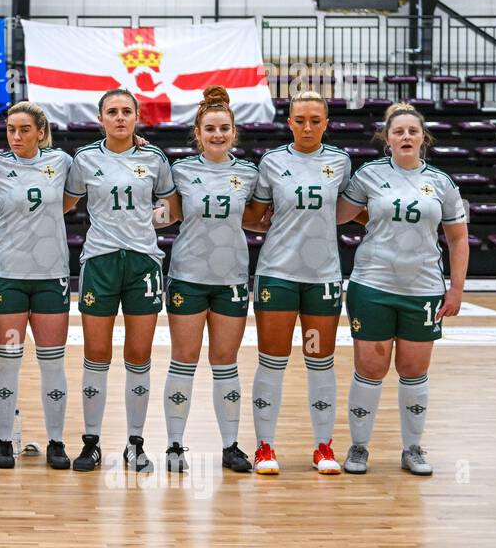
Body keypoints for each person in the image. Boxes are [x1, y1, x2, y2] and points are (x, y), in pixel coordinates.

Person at [336, 103, 468, 475]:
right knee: (370, 367)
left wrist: (456, 289)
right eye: (399, 132)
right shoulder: (369, 176)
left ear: (423, 137)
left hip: (423, 289)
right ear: (387, 139)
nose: (406, 137)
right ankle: (359, 447)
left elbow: (458, 240)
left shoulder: (441, 182)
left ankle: (413, 449)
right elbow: (338, 214)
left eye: (413, 131)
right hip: (372, 284)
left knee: (413, 369)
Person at [241, 91, 353, 475]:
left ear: (326, 123)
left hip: (322, 279)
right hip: (278, 275)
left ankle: (323, 447)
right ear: (289, 122)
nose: (308, 127)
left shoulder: (340, 162)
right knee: (272, 362)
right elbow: (252, 217)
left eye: (315, 120)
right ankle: (264, 447)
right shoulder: (272, 162)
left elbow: (349, 212)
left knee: (319, 362)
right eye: (300, 120)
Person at [66, 88, 176, 474]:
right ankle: (92, 442)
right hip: (99, 262)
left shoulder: (154, 157)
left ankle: (135, 442)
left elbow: (171, 208)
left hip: (144, 263)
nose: (119, 118)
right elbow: (65, 202)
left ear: (137, 117)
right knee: (96, 355)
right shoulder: (84, 159)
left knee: (139, 355)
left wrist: (146, 224)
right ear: (100, 119)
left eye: (126, 111)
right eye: (111, 111)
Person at [0, 100, 79, 470]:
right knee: (7, 363)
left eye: (25, 130)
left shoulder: (62, 163)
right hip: (8, 278)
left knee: (52, 364)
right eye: (11, 129)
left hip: (50, 277)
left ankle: (57, 441)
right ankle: (3, 441)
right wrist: (7, 238)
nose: (16, 136)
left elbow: (73, 195)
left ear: (41, 132)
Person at [159, 87, 266, 473]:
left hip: (232, 278)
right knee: (183, 361)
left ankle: (231, 446)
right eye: (210, 129)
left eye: (224, 128)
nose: (218, 134)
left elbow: (256, 220)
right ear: (198, 133)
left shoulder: (249, 173)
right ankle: (174, 446)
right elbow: (166, 214)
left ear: (234, 132)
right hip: (188, 275)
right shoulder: (180, 170)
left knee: (226, 363)